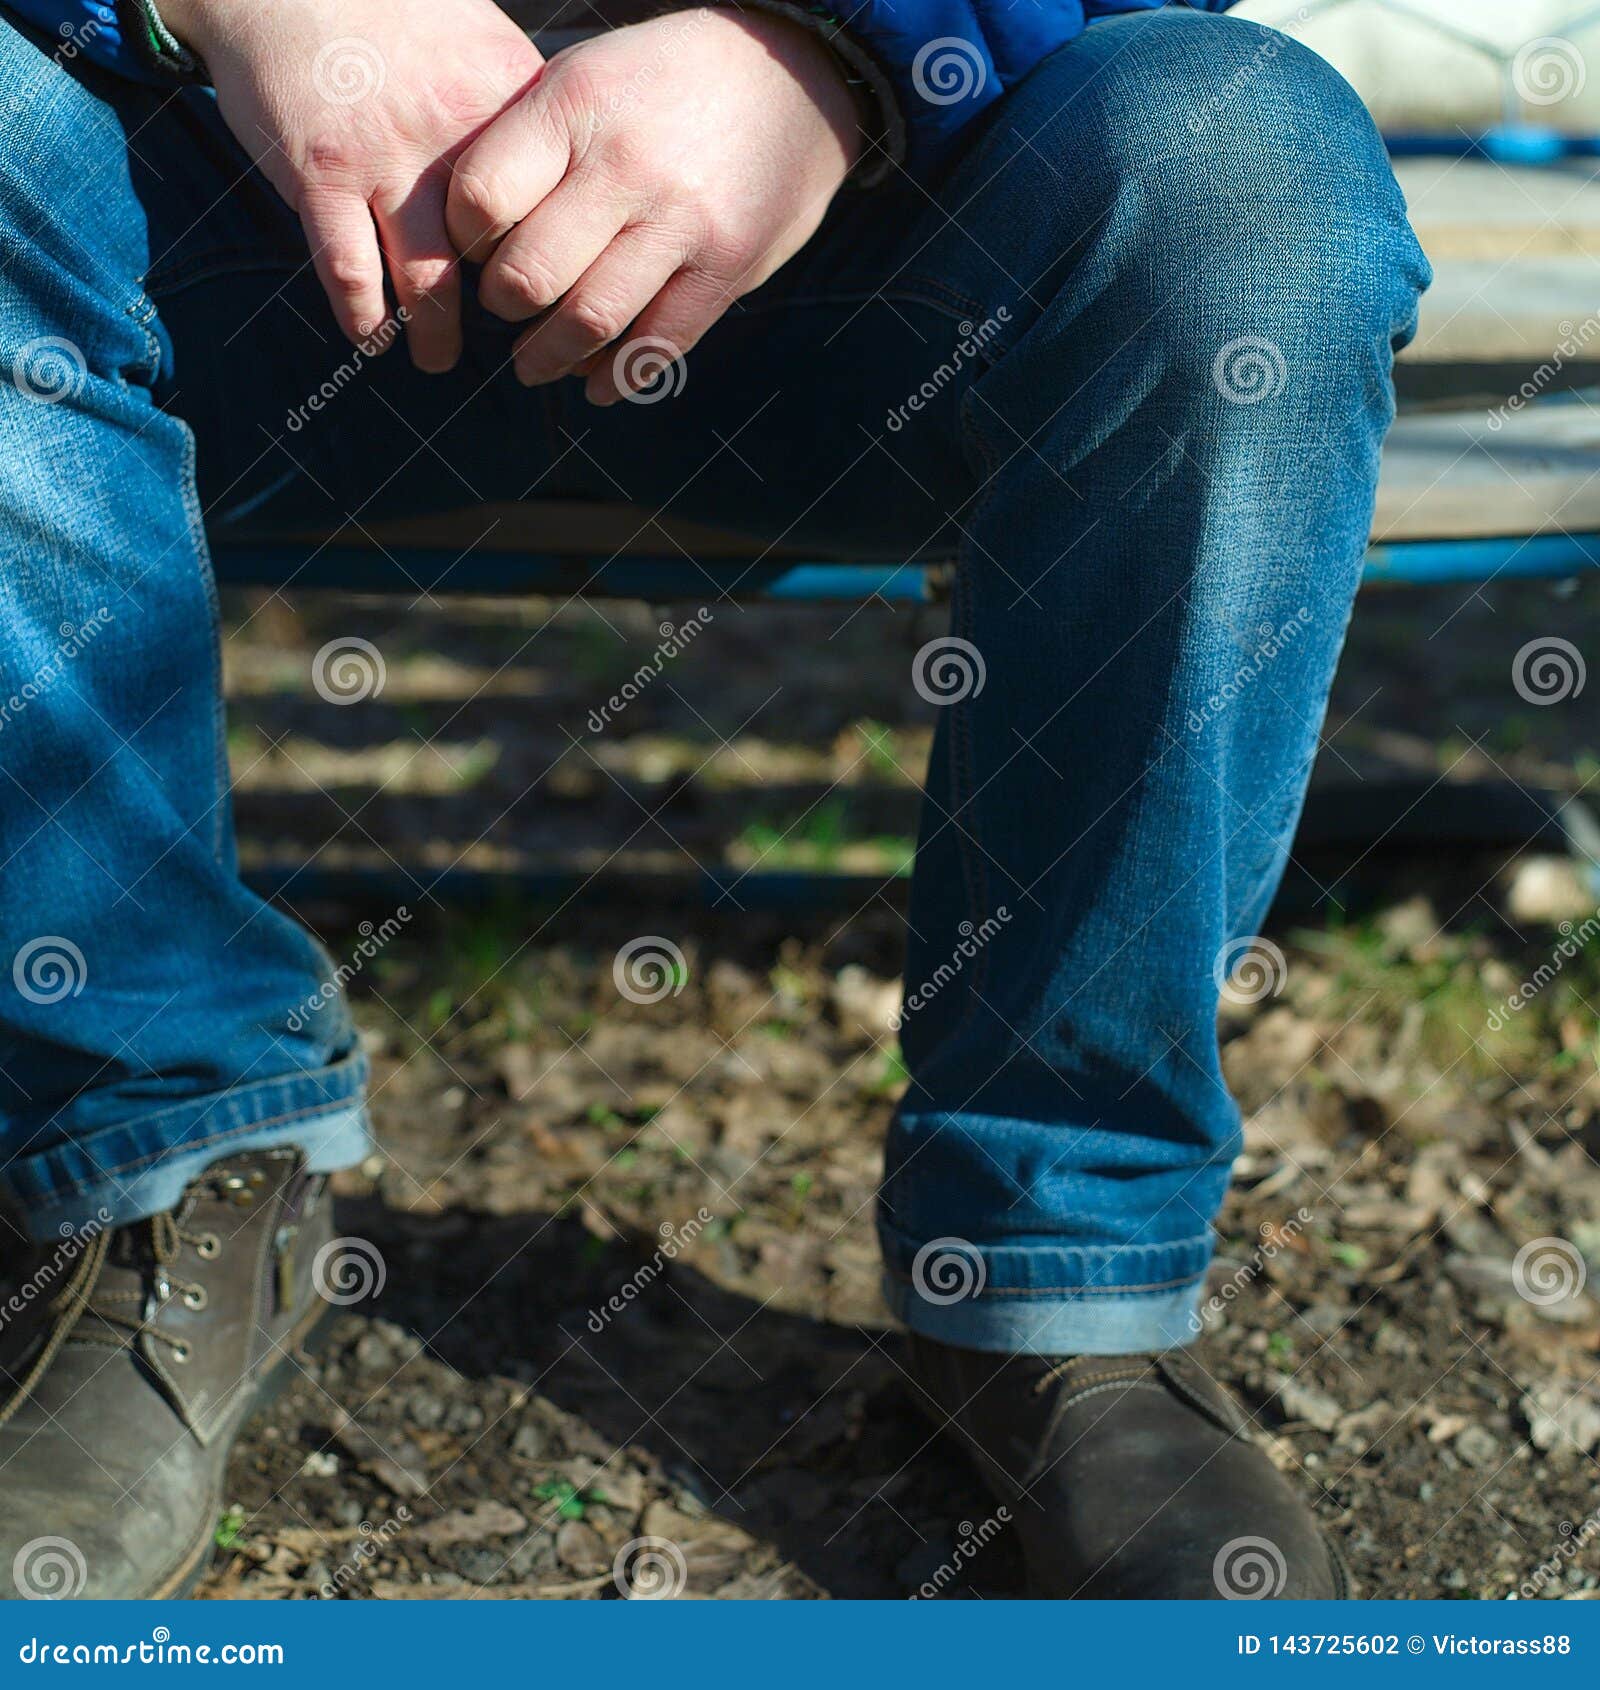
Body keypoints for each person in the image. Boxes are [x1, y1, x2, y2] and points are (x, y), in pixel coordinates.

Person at [0, 0, 1428, 1599]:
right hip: (245, 224)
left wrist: (833, 55)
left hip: (879, 245)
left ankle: (1059, 1260)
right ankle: (169, 1164)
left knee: (1246, 169)